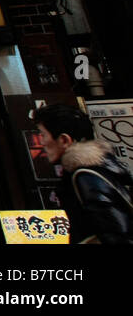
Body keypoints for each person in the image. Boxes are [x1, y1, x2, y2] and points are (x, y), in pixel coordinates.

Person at [36, 103, 133, 244]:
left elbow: (116, 234)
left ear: (64, 140)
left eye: (43, 135)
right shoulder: (96, 170)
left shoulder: (85, 177)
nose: (42, 142)